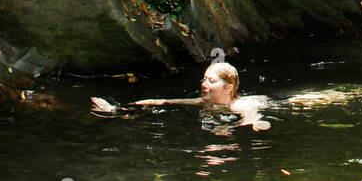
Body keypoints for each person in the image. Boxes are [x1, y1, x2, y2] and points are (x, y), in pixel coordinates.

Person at [90, 61, 271, 130]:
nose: (204, 85)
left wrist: (253, 123)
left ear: (228, 88)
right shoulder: (201, 102)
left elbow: (252, 116)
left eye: (211, 81)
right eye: (204, 79)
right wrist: (117, 109)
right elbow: (161, 102)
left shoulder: (238, 105)